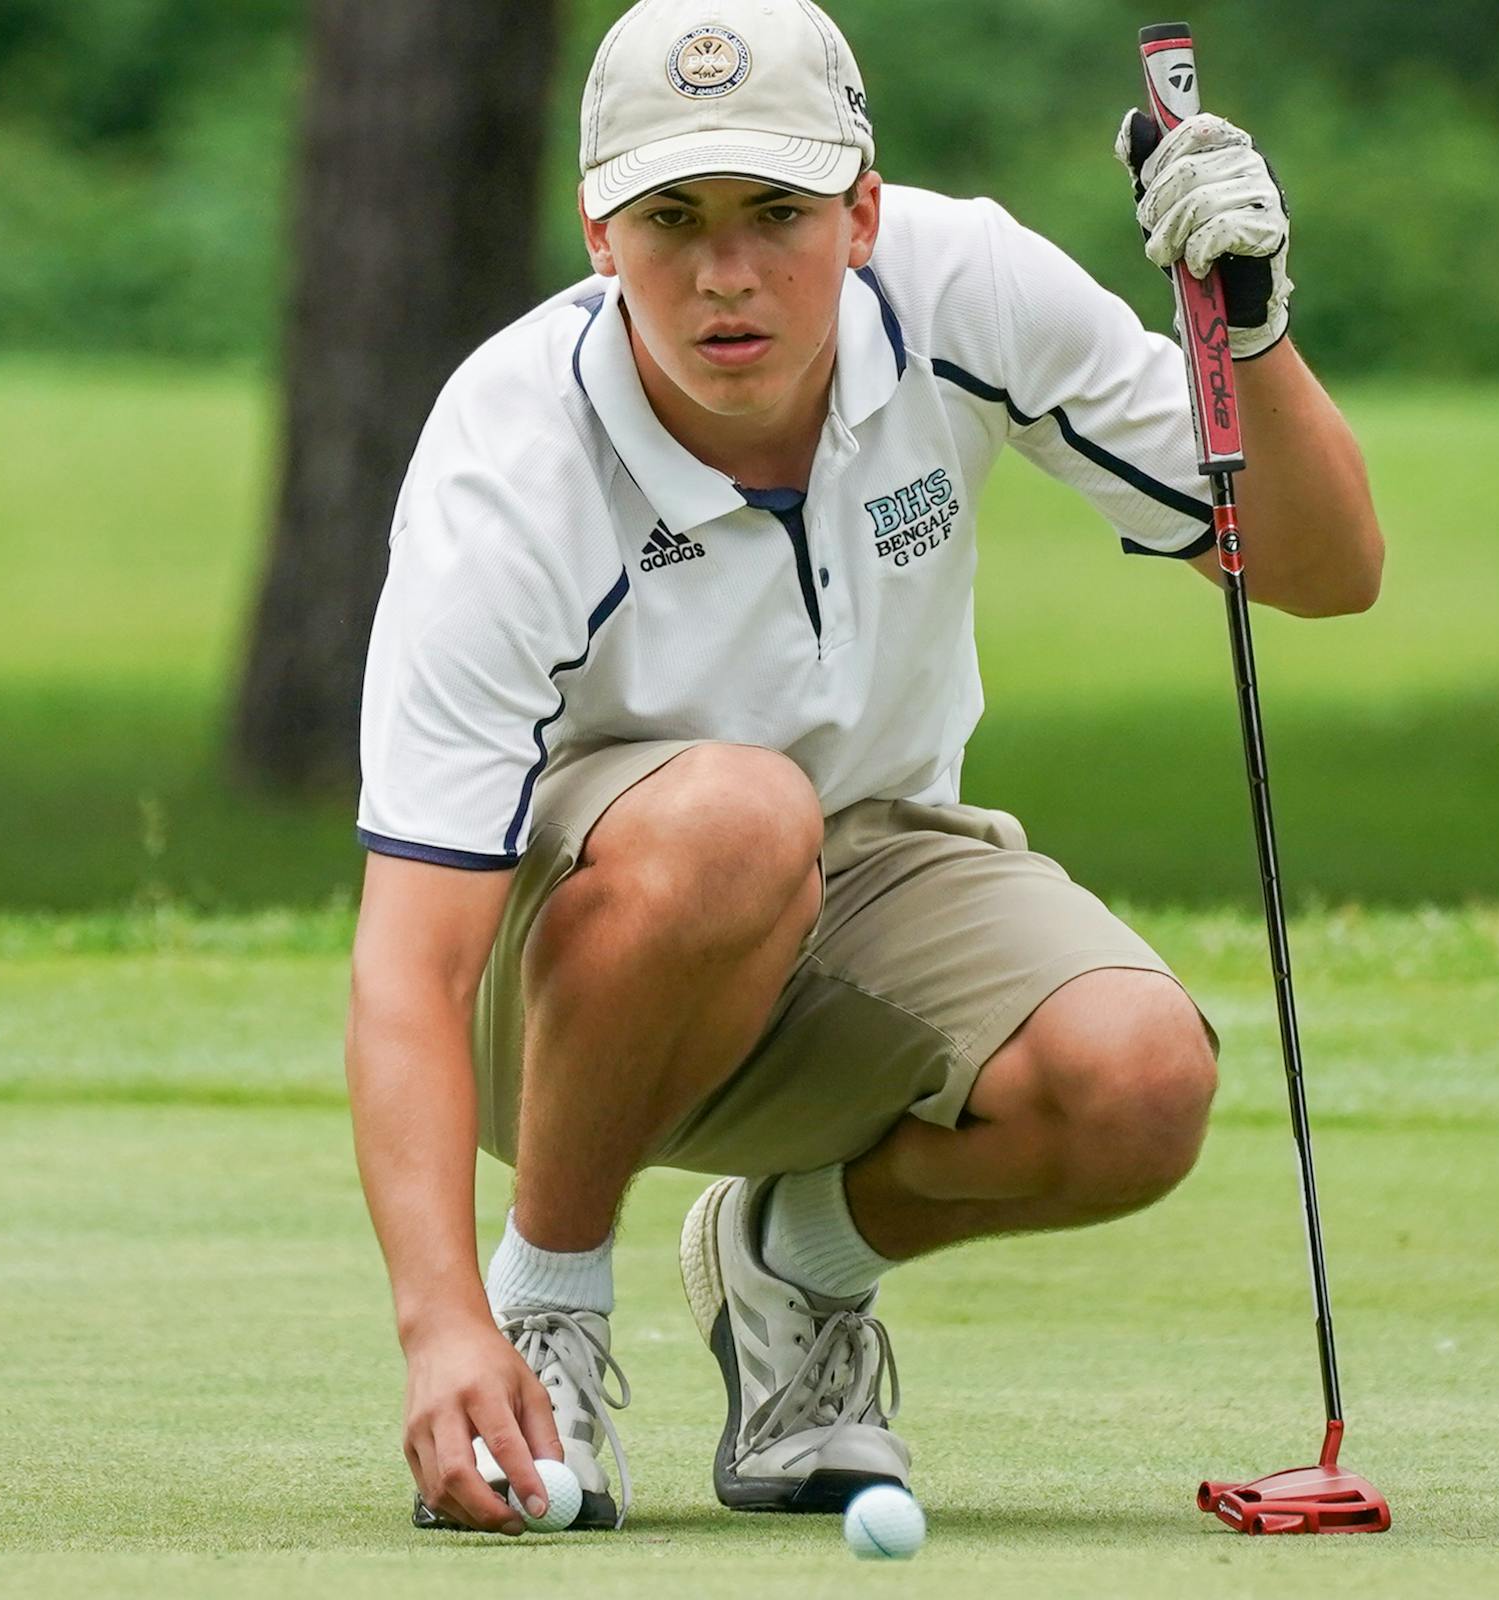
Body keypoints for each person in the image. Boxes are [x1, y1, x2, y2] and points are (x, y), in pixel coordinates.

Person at [346, 0, 1382, 1535]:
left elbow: (1320, 567)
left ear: (864, 211)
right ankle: (551, 1313)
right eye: (670, 218)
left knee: (1140, 1082)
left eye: (779, 212)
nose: (727, 272)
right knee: (734, 817)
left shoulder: (964, 287)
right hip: (556, 967)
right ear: (596, 231)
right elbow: (409, 968)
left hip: (875, 864)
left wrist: (1255, 332)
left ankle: (792, 1270)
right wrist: (447, 1324)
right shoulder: (512, 455)